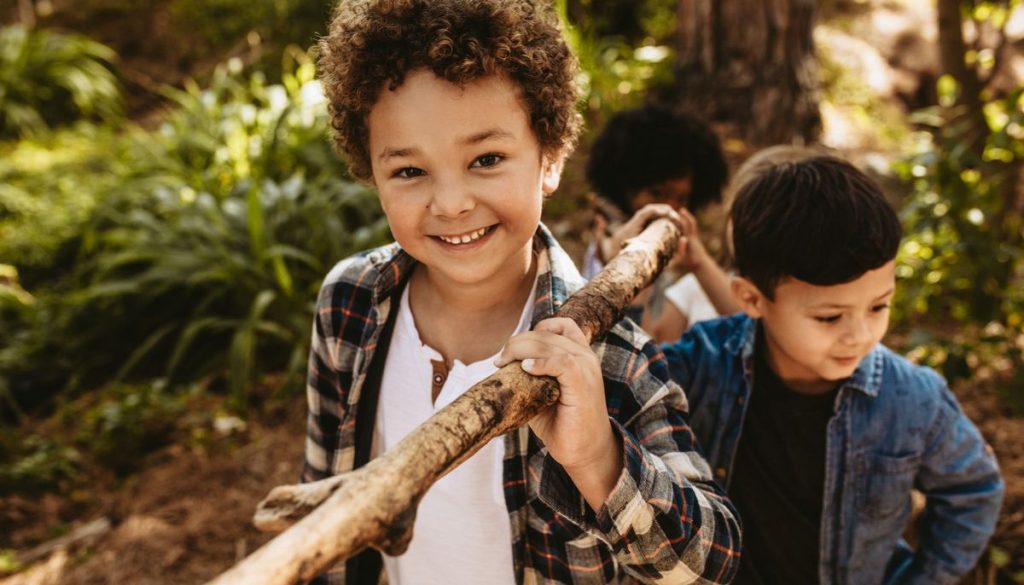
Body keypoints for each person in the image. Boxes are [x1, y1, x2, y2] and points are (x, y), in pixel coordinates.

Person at [304, 1, 741, 583]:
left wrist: (598, 458)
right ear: (372, 172)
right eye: (410, 171)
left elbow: (709, 566)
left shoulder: (607, 359)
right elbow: (323, 507)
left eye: (486, 159)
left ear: (551, 157)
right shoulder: (351, 304)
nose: (452, 202)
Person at [659, 155, 1004, 584]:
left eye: (879, 306)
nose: (860, 335)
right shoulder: (702, 363)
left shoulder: (914, 400)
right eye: (829, 317)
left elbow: (974, 490)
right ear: (751, 299)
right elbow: (627, 387)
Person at [580, 103, 733, 341]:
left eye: (682, 198)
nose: (669, 209)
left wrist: (698, 263)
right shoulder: (608, 246)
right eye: (658, 194)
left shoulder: (689, 262)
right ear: (627, 188)